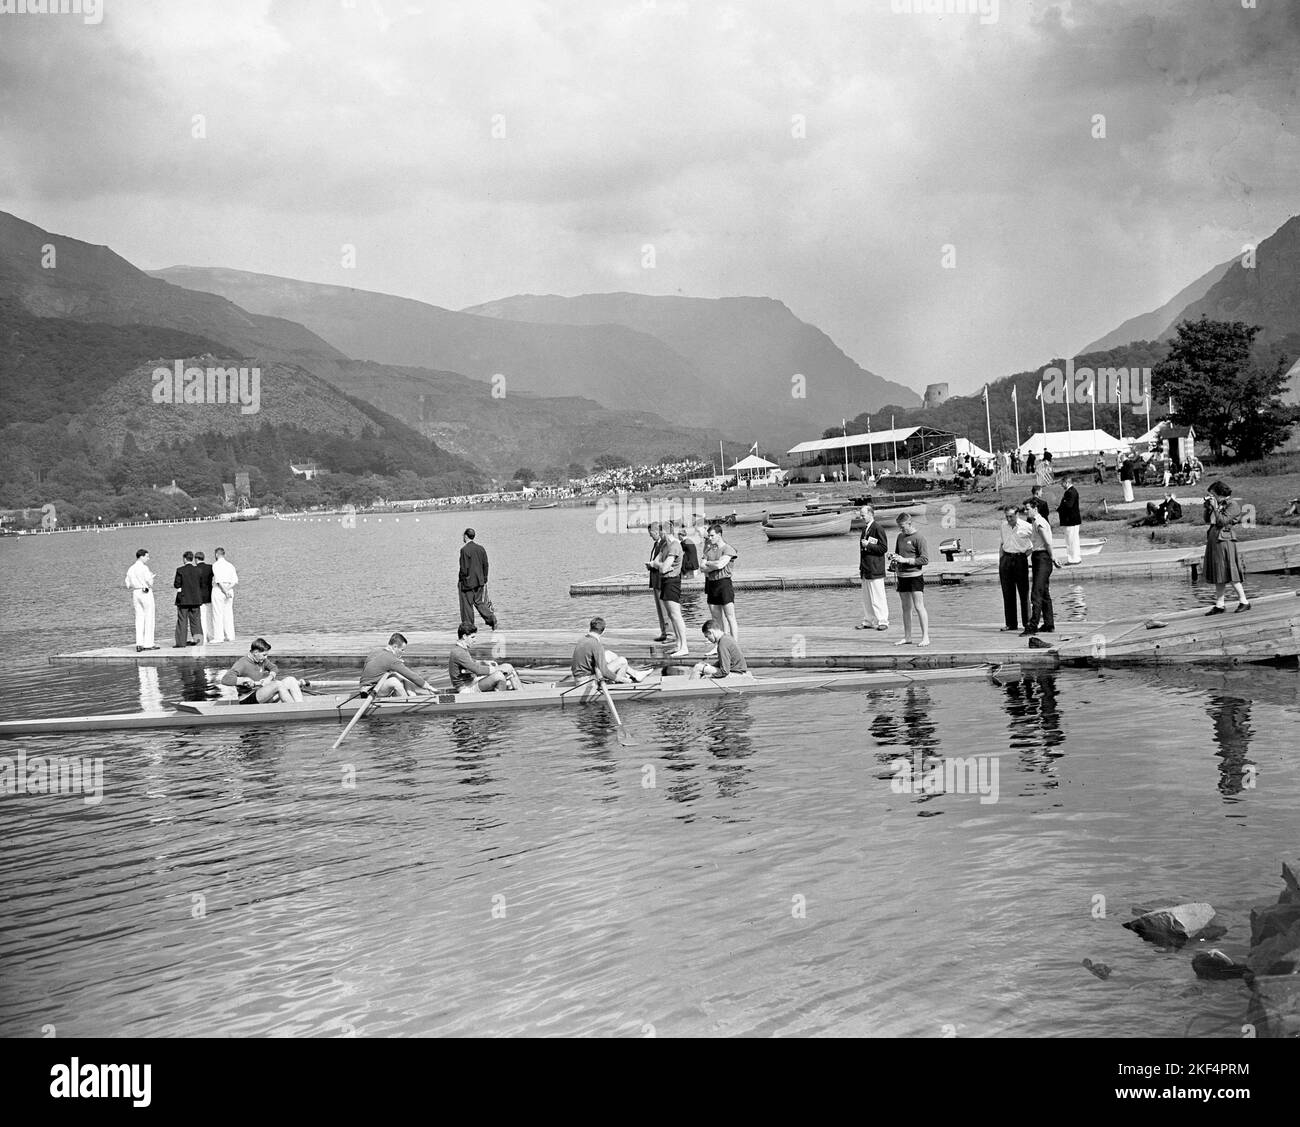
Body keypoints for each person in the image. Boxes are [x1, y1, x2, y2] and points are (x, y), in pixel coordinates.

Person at [1202, 481, 1250, 615]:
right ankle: (1220, 604)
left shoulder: (1232, 505)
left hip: (1224, 540)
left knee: (1230, 571)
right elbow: (1207, 520)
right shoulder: (1217, 505)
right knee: (1219, 572)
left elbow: (1222, 521)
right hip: (1214, 539)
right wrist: (1208, 508)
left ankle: (1244, 601)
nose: (1211, 496)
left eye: (1212, 494)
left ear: (1219, 493)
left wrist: (1215, 508)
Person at [888, 513, 930, 647]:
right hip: (902, 576)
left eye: (902, 527)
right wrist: (893, 558)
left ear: (909, 524)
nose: (901, 530)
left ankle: (925, 637)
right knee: (906, 608)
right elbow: (898, 554)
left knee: (919, 607)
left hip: (915, 576)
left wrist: (906, 560)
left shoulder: (919, 538)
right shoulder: (900, 537)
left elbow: (925, 559)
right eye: (899, 527)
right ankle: (907, 637)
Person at [220, 637, 303, 702]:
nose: (266, 657)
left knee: (291, 680)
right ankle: (294, 711)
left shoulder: (262, 660)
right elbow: (225, 679)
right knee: (278, 684)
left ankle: (300, 708)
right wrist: (243, 680)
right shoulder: (242, 663)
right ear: (256, 652)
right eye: (264, 655)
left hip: (261, 693)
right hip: (247, 698)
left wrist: (269, 678)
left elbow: (274, 668)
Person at [447, 625, 522, 692]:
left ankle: (521, 694)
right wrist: (499, 668)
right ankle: (503, 700)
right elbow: (477, 670)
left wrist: (484, 662)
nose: (475, 640)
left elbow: (470, 663)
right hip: (466, 688)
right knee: (499, 675)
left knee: (508, 667)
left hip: (472, 682)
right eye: (472, 637)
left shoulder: (460, 649)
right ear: (464, 636)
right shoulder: (459, 652)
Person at [361, 632, 437, 697]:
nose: (403, 652)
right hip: (369, 692)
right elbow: (411, 675)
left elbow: (407, 675)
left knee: (402, 676)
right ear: (395, 647)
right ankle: (407, 702)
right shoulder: (391, 659)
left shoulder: (376, 651)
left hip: (371, 686)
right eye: (402, 650)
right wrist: (428, 687)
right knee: (394, 681)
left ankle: (412, 696)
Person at [652, 521, 688, 657]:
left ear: (664, 532)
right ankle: (678, 644)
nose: (659, 534)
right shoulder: (665, 546)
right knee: (672, 616)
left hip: (673, 581)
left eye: (660, 531)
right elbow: (656, 563)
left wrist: (659, 565)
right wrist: (659, 565)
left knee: (676, 615)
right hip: (665, 581)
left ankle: (684, 646)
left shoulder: (674, 546)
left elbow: (663, 567)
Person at [1022, 502, 1057, 636]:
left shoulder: (1039, 522)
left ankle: (1032, 626)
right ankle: (1049, 624)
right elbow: (1039, 543)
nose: (1026, 512)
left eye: (1027, 509)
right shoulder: (1036, 522)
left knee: (1036, 593)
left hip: (1043, 558)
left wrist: (1053, 557)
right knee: (1044, 592)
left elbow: (1047, 542)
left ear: (1035, 509)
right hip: (1039, 557)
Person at [701, 522, 740, 639]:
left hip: (724, 584)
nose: (710, 538)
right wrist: (711, 564)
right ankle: (720, 643)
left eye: (712, 536)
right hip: (712, 584)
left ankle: (734, 644)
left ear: (719, 535)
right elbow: (702, 567)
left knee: (730, 617)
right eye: (709, 536)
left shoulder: (728, 549)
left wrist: (708, 563)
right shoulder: (708, 550)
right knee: (716, 617)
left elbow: (720, 565)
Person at [997, 505, 1033, 632]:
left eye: (1011, 516)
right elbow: (1002, 543)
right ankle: (1011, 623)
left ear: (1017, 515)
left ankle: (1028, 622)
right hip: (1006, 559)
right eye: (1007, 516)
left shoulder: (1027, 526)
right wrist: (1001, 560)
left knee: (1024, 593)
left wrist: (1023, 556)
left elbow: (1034, 543)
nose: (1009, 519)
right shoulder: (1003, 526)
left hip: (1020, 559)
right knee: (1007, 593)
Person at [855, 503, 889, 631]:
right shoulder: (865, 529)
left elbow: (883, 548)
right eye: (860, 516)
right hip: (866, 568)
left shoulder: (878, 528)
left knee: (878, 596)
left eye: (863, 515)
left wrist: (868, 545)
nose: (861, 518)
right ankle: (869, 620)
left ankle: (883, 621)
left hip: (875, 569)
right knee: (867, 597)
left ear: (870, 514)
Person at [458, 528, 497, 632]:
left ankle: (469, 628)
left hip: (467, 584)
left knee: (467, 607)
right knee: (479, 602)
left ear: (466, 536)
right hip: (479, 582)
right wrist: (484, 579)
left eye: (463, 536)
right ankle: (491, 618)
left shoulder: (464, 550)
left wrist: (461, 581)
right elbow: (486, 565)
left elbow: (464, 568)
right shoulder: (481, 548)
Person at [124, 548, 159, 652]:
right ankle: (148, 643)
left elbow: (127, 584)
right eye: (147, 556)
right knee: (149, 616)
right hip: (145, 592)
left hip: (136, 592)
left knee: (139, 618)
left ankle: (139, 643)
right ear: (142, 556)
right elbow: (150, 582)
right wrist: (152, 577)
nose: (148, 558)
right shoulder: (144, 568)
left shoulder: (130, 569)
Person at [173, 550, 204, 647]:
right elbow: (201, 584)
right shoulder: (198, 570)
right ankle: (198, 641)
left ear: (185, 559)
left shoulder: (180, 570)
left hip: (183, 600)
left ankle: (181, 643)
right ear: (192, 559)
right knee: (196, 621)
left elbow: (176, 584)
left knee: (182, 621)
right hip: (196, 599)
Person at [645, 522, 669, 643]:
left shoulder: (665, 544)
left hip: (662, 580)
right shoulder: (657, 544)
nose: (650, 536)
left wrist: (653, 565)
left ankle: (670, 634)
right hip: (655, 579)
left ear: (656, 532)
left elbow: (665, 562)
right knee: (660, 608)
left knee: (665, 608)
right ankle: (664, 632)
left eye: (651, 533)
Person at [211, 547, 238, 642]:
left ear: (216, 554)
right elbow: (235, 581)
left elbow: (218, 580)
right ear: (224, 554)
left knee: (218, 613)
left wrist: (224, 591)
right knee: (228, 613)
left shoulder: (215, 565)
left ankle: (219, 637)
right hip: (229, 589)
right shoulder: (230, 565)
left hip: (219, 590)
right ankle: (230, 635)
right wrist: (228, 590)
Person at [1057, 473, 1082, 564]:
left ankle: (1073, 559)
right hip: (1073, 520)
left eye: (1062, 483)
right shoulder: (1071, 491)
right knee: (1074, 540)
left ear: (1067, 482)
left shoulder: (1070, 492)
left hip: (1070, 520)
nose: (1061, 485)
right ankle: (1076, 557)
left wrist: (1061, 506)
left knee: (1071, 541)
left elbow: (1069, 505)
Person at [194, 550, 215, 643]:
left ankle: (203, 638)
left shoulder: (195, 569)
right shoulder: (210, 567)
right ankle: (212, 636)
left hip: (199, 597)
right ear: (203, 558)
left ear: (196, 559)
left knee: (201, 617)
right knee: (210, 617)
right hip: (209, 594)